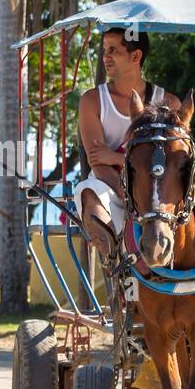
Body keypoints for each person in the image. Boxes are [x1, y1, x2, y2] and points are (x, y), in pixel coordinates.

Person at [75, 27, 181, 256]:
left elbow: (174, 159)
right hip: (110, 186)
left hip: (157, 187)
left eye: (113, 50)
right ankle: (114, 259)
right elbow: (98, 163)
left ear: (136, 56)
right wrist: (127, 192)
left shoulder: (169, 102)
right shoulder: (92, 100)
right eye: (104, 50)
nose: (105, 57)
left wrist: (114, 157)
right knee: (89, 194)